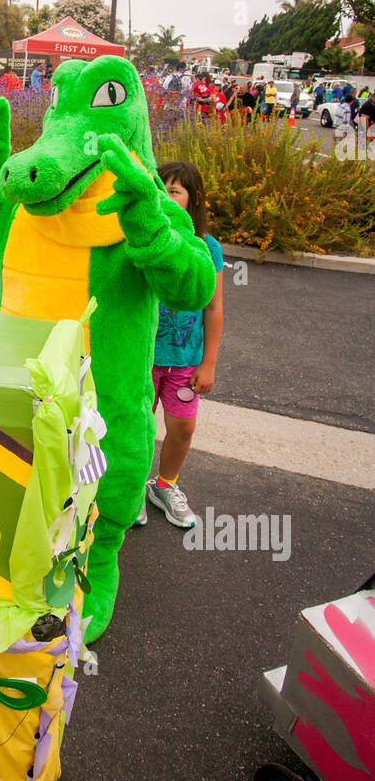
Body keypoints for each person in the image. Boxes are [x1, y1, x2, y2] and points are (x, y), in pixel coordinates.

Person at [136, 160, 224, 529]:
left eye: (175, 191)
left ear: (194, 199)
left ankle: (165, 485)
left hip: (185, 362)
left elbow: (214, 307)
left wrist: (209, 364)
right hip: (143, 358)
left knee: (182, 429)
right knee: (138, 427)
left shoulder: (207, 247)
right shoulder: (145, 239)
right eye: (162, 190)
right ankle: (128, 490)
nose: (167, 197)